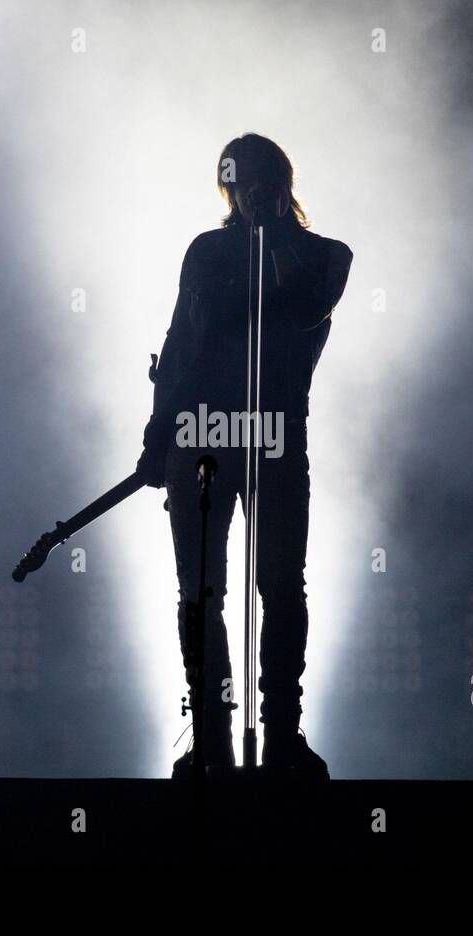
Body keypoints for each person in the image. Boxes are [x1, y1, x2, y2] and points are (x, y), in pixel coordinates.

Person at [136, 133, 353, 779]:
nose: (251, 192)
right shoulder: (207, 252)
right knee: (200, 592)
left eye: (262, 180)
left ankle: (282, 735)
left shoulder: (325, 258)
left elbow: (300, 307)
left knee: (281, 586)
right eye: (241, 183)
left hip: (275, 437)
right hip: (200, 437)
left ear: (283, 183)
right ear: (228, 188)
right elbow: (182, 340)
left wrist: (268, 235)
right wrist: (158, 433)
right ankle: (212, 740)